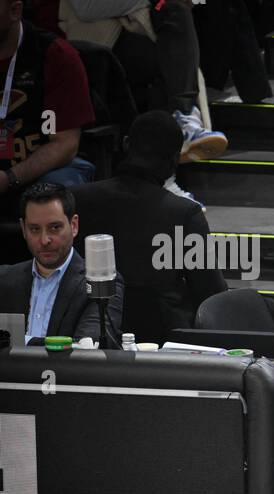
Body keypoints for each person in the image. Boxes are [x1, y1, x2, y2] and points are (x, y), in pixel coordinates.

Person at [37, 0, 228, 162]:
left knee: (176, 15)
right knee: (167, 62)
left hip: (131, 18)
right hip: (77, 32)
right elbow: (85, 5)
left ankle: (184, 117)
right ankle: (167, 154)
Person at [72, 110, 226, 343]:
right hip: (164, 343)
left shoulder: (77, 199)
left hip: (87, 333)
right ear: (175, 159)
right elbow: (211, 294)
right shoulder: (185, 213)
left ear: (126, 145)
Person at [0, 0, 96, 219]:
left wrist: (10, 178)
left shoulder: (54, 56)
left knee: (53, 195)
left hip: (44, 168)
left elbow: (64, 144)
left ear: (15, 11)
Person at [0, 183, 123, 345]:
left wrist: (17, 342)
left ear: (74, 225)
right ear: (23, 229)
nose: (44, 240)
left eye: (55, 227)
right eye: (35, 229)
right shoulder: (4, 279)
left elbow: (88, 347)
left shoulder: (100, 281)